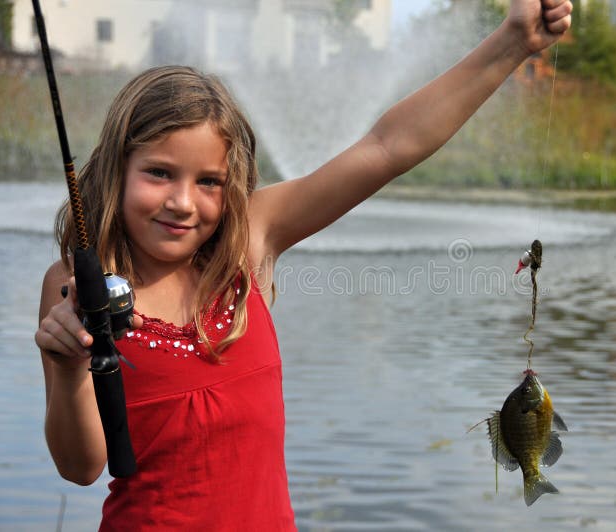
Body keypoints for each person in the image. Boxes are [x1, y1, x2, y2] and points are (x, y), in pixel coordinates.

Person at [34, 1, 572, 529]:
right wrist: (67, 368)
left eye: (209, 182)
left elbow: (387, 147)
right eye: (158, 173)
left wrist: (513, 42)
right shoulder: (76, 286)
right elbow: (81, 468)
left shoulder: (245, 247)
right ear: (116, 168)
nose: (183, 202)